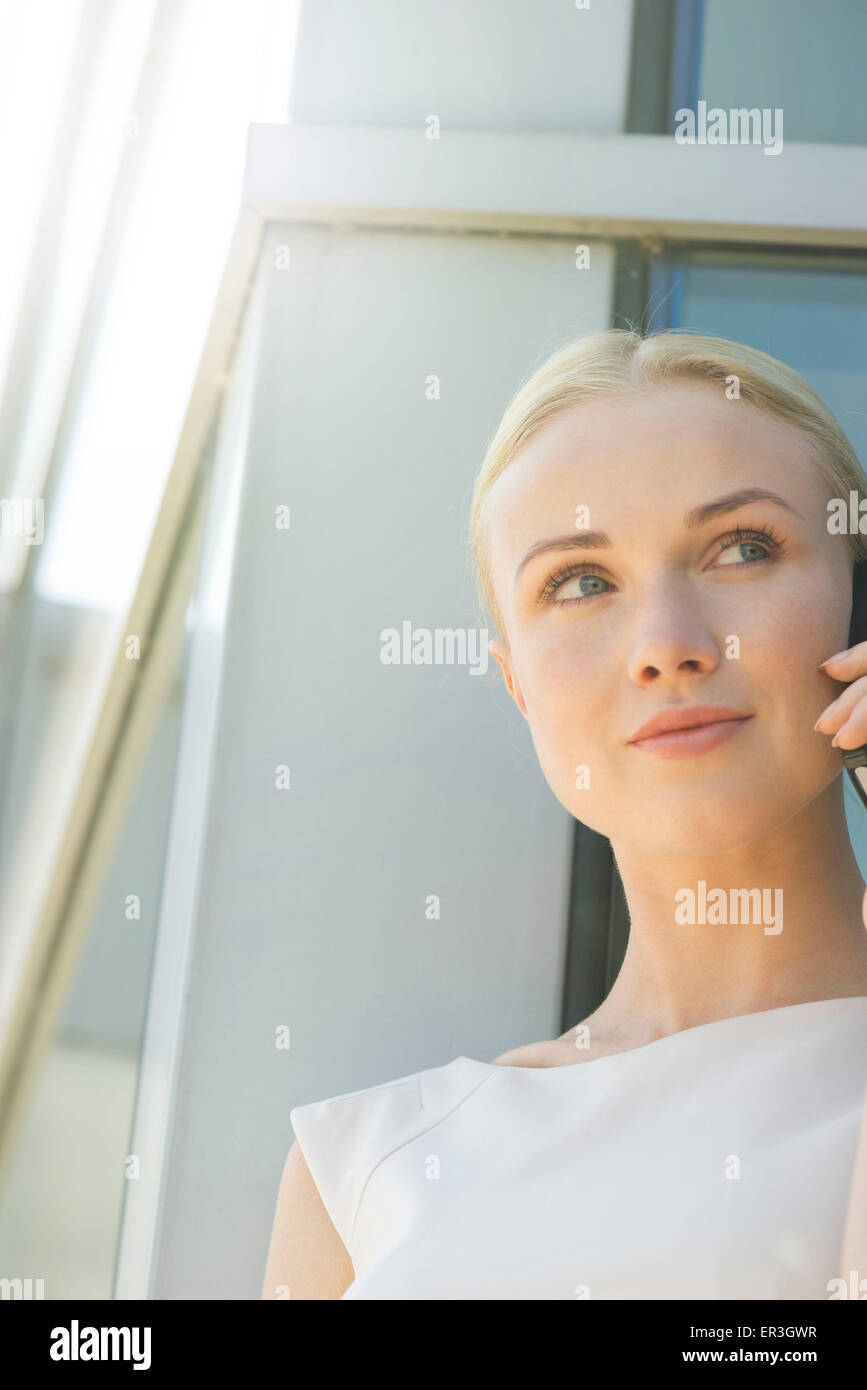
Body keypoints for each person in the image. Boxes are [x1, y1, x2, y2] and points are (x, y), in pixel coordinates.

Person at [262, 328, 867, 1300]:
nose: (667, 646)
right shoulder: (363, 1164)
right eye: (580, 582)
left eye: (742, 548)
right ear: (518, 689)